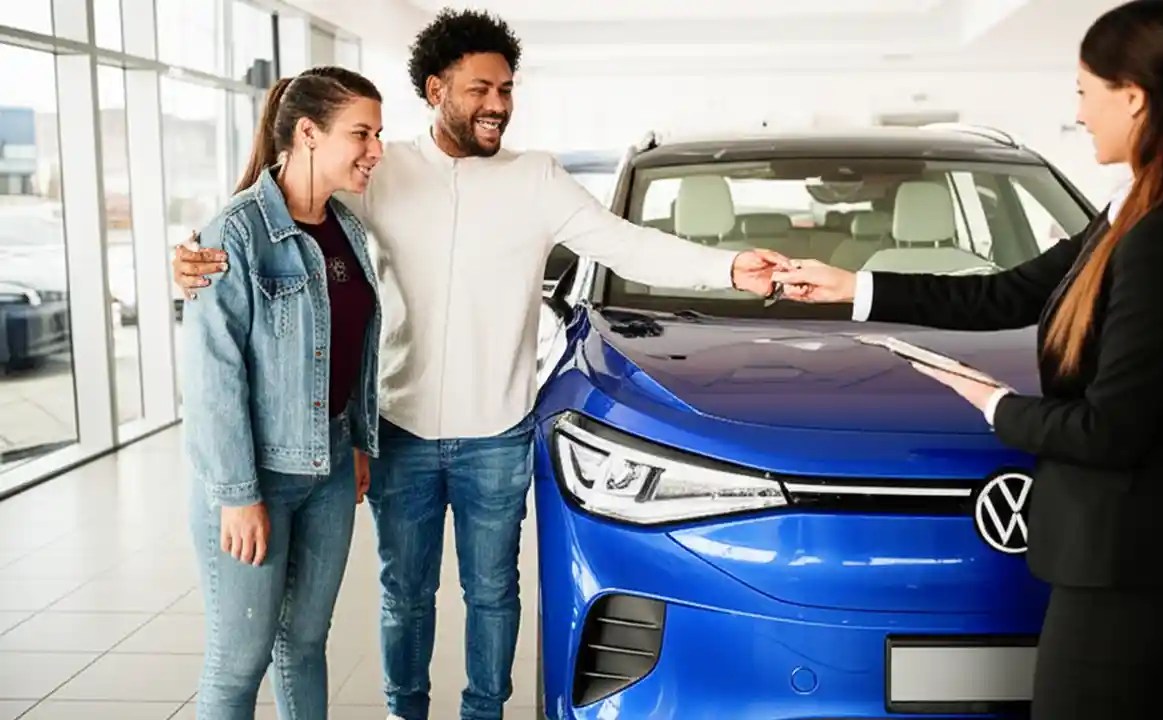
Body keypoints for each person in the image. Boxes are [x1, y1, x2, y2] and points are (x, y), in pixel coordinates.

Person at [172, 9, 790, 720]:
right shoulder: (380, 169)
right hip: (398, 431)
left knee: (493, 594)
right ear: (436, 89)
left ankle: (483, 713)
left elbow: (627, 245)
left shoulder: (537, 179)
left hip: (497, 431)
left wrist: (732, 267)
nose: (498, 104)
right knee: (403, 595)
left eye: (506, 89)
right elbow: (279, 211)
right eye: (481, 89)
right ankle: (408, 711)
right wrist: (193, 259)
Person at [772, 2, 1163, 718]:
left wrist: (994, 403)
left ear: (1133, 97)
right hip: (1121, 552)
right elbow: (1008, 292)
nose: (1080, 112)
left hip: (1131, 556)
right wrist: (852, 285)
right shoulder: (1135, 209)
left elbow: (1111, 431)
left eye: (1085, 91)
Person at [182, 66, 384, 719]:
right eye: (362, 133)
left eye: (378, 134)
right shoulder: (233, 235)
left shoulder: (349, 229)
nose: (375, 149)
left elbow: (348, 350)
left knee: (304, 645)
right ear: (307, 133)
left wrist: (354, 438)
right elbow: (214, 377)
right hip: (255, 475)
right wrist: (238, 497)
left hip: (327, 469)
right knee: (237, 663)